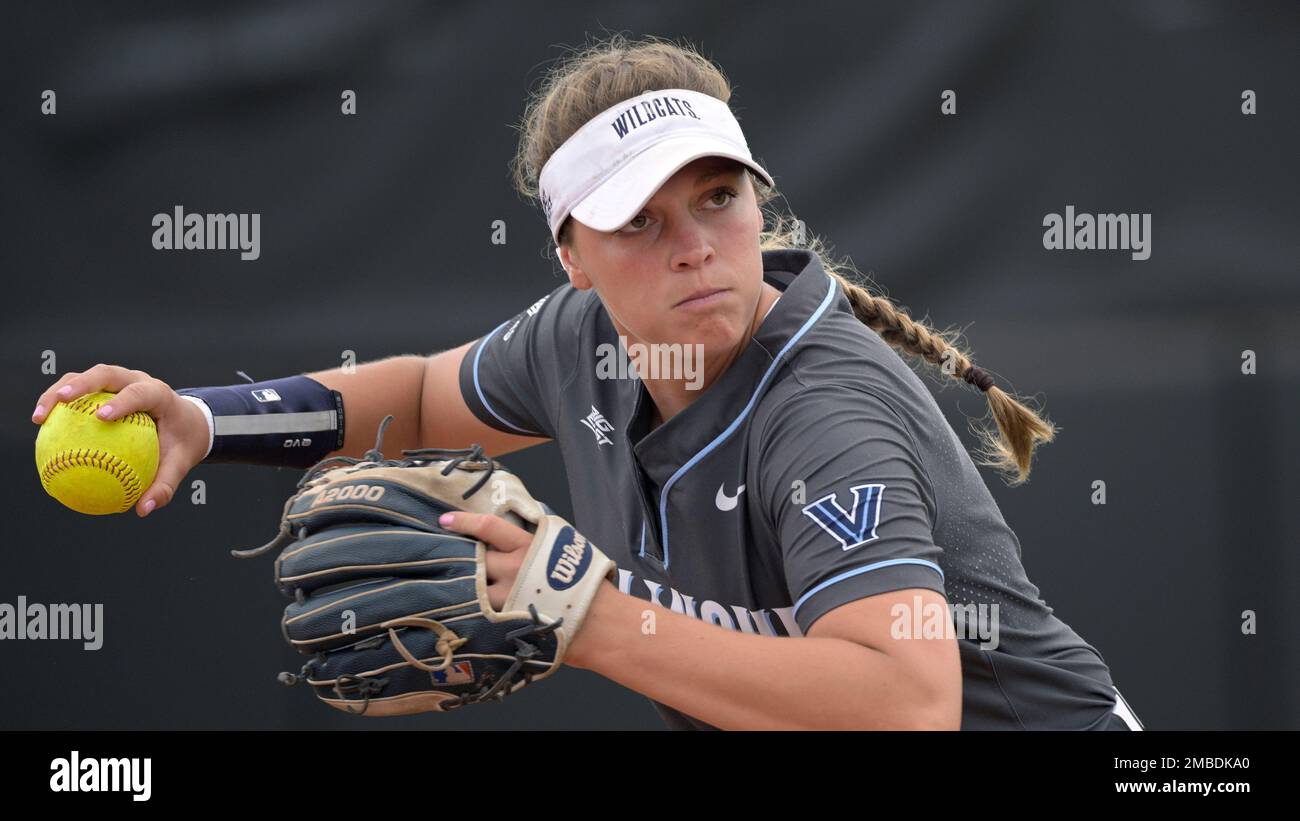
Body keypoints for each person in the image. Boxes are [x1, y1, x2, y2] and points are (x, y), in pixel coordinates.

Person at [30, 34, 1143, 731]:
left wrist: (592, 617)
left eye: (718, 198)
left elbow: (906, 704)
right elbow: (418, 397)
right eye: (639, 221)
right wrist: (200, 418)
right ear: (571, 256)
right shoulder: (584, 343)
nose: (694, 243)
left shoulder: (823, 415)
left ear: (759, 205)